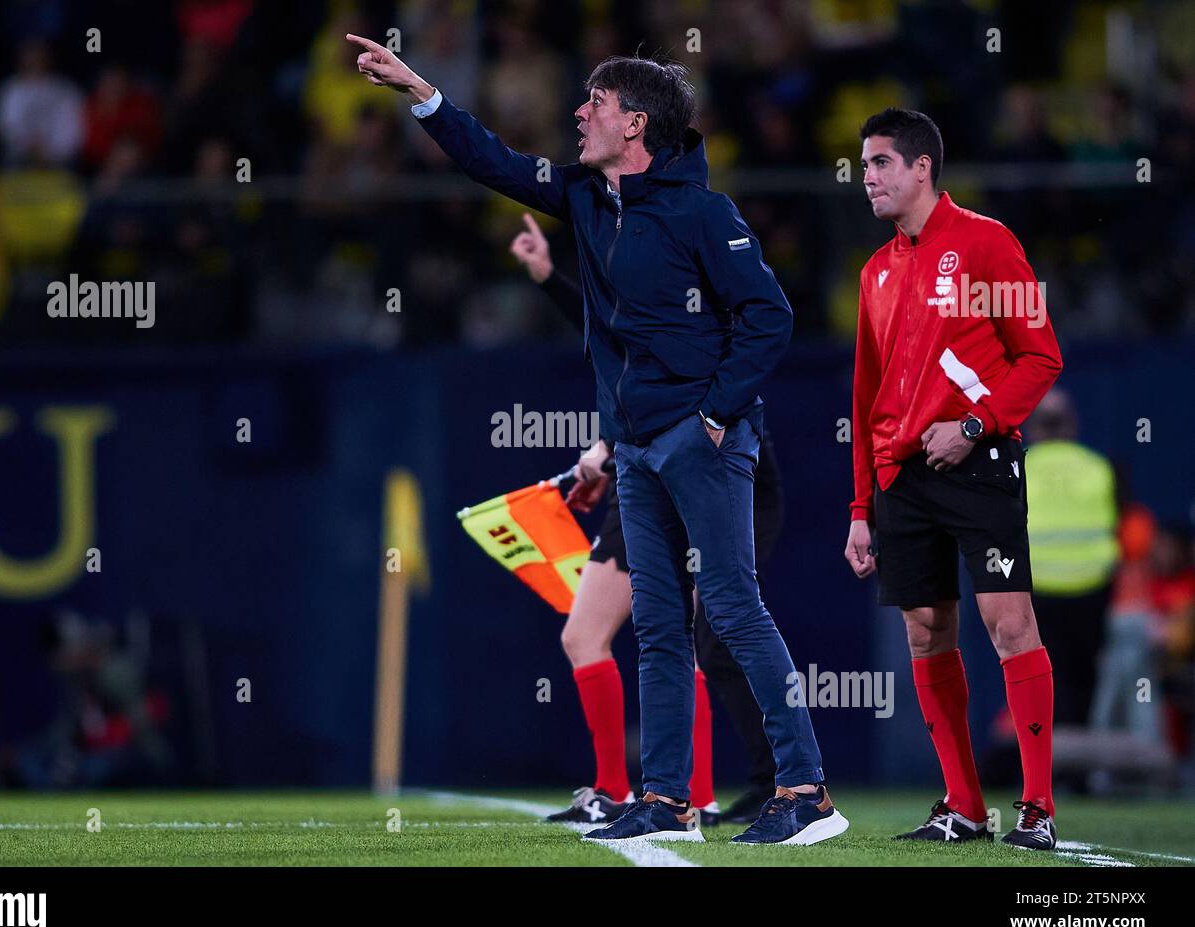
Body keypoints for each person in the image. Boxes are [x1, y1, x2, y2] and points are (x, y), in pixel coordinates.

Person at [348, 35, 845, 846]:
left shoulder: (702, 211)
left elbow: (771, 317)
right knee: (656, 626)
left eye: (597, 103)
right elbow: (492, 162)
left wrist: (716, 415)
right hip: (639, 446)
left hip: (705, 441)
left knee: (733, 608)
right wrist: (419, 90)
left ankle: (806, 791)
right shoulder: (586, 195)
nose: (579, 113)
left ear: (635, 124)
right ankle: (666, 798)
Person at [510, 213, 782, 826]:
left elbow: (684, 390)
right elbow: (606, 331)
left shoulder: (699, 308)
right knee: (590, 636)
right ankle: (618, 789)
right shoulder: (636, 308)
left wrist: (605, 451)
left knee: (684, 642)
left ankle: (701, 793)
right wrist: (550, 275)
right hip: (638, 480)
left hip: (692, 478)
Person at [844, 108, 1064, 849]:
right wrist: (859, 506)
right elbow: (865, 397)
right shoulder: (876, 270)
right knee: (924, 630)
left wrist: (974, 426)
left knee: (1008, 626)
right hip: (902, 479)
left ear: (920, 169)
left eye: (878, 163)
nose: (865, 176)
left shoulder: (987, 242)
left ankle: (1036, 809)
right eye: (864, 164)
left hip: (979, 466)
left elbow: (1040, 357)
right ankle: (964, 808)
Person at [1023, 388, 1119, 726]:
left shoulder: (1019, 468)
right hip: (1091, 591)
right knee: (1084, 679)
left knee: (1039, 678)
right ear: (1072, 426)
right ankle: (1079, 768)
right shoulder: (1099, 468)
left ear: (1033, 428)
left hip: (1038, 592)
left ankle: (1049, 766)